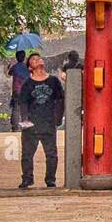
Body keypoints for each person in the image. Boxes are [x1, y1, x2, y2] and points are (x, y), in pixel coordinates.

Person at [18, 52, 65, 189]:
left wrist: (58, 117)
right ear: (30, 67)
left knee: (51, 154)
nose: (37, 60)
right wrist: (25, 120)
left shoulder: (53, 81)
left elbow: (60, 100)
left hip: (49, 122)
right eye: (33, 59)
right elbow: (23, 103)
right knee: (27, 154)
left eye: (39, 58)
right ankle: (27, 179)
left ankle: (50, 179)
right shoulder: (27, 84)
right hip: (32, 123)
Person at [8, 49, 29, 132]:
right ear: (24, 57)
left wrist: (9, 67)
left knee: (15, 109)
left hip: (16, 90)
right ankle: (25, 127)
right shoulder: (27, 67)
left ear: (16, 57)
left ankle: (15, 127)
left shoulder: (14, 67)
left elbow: (9, 73)